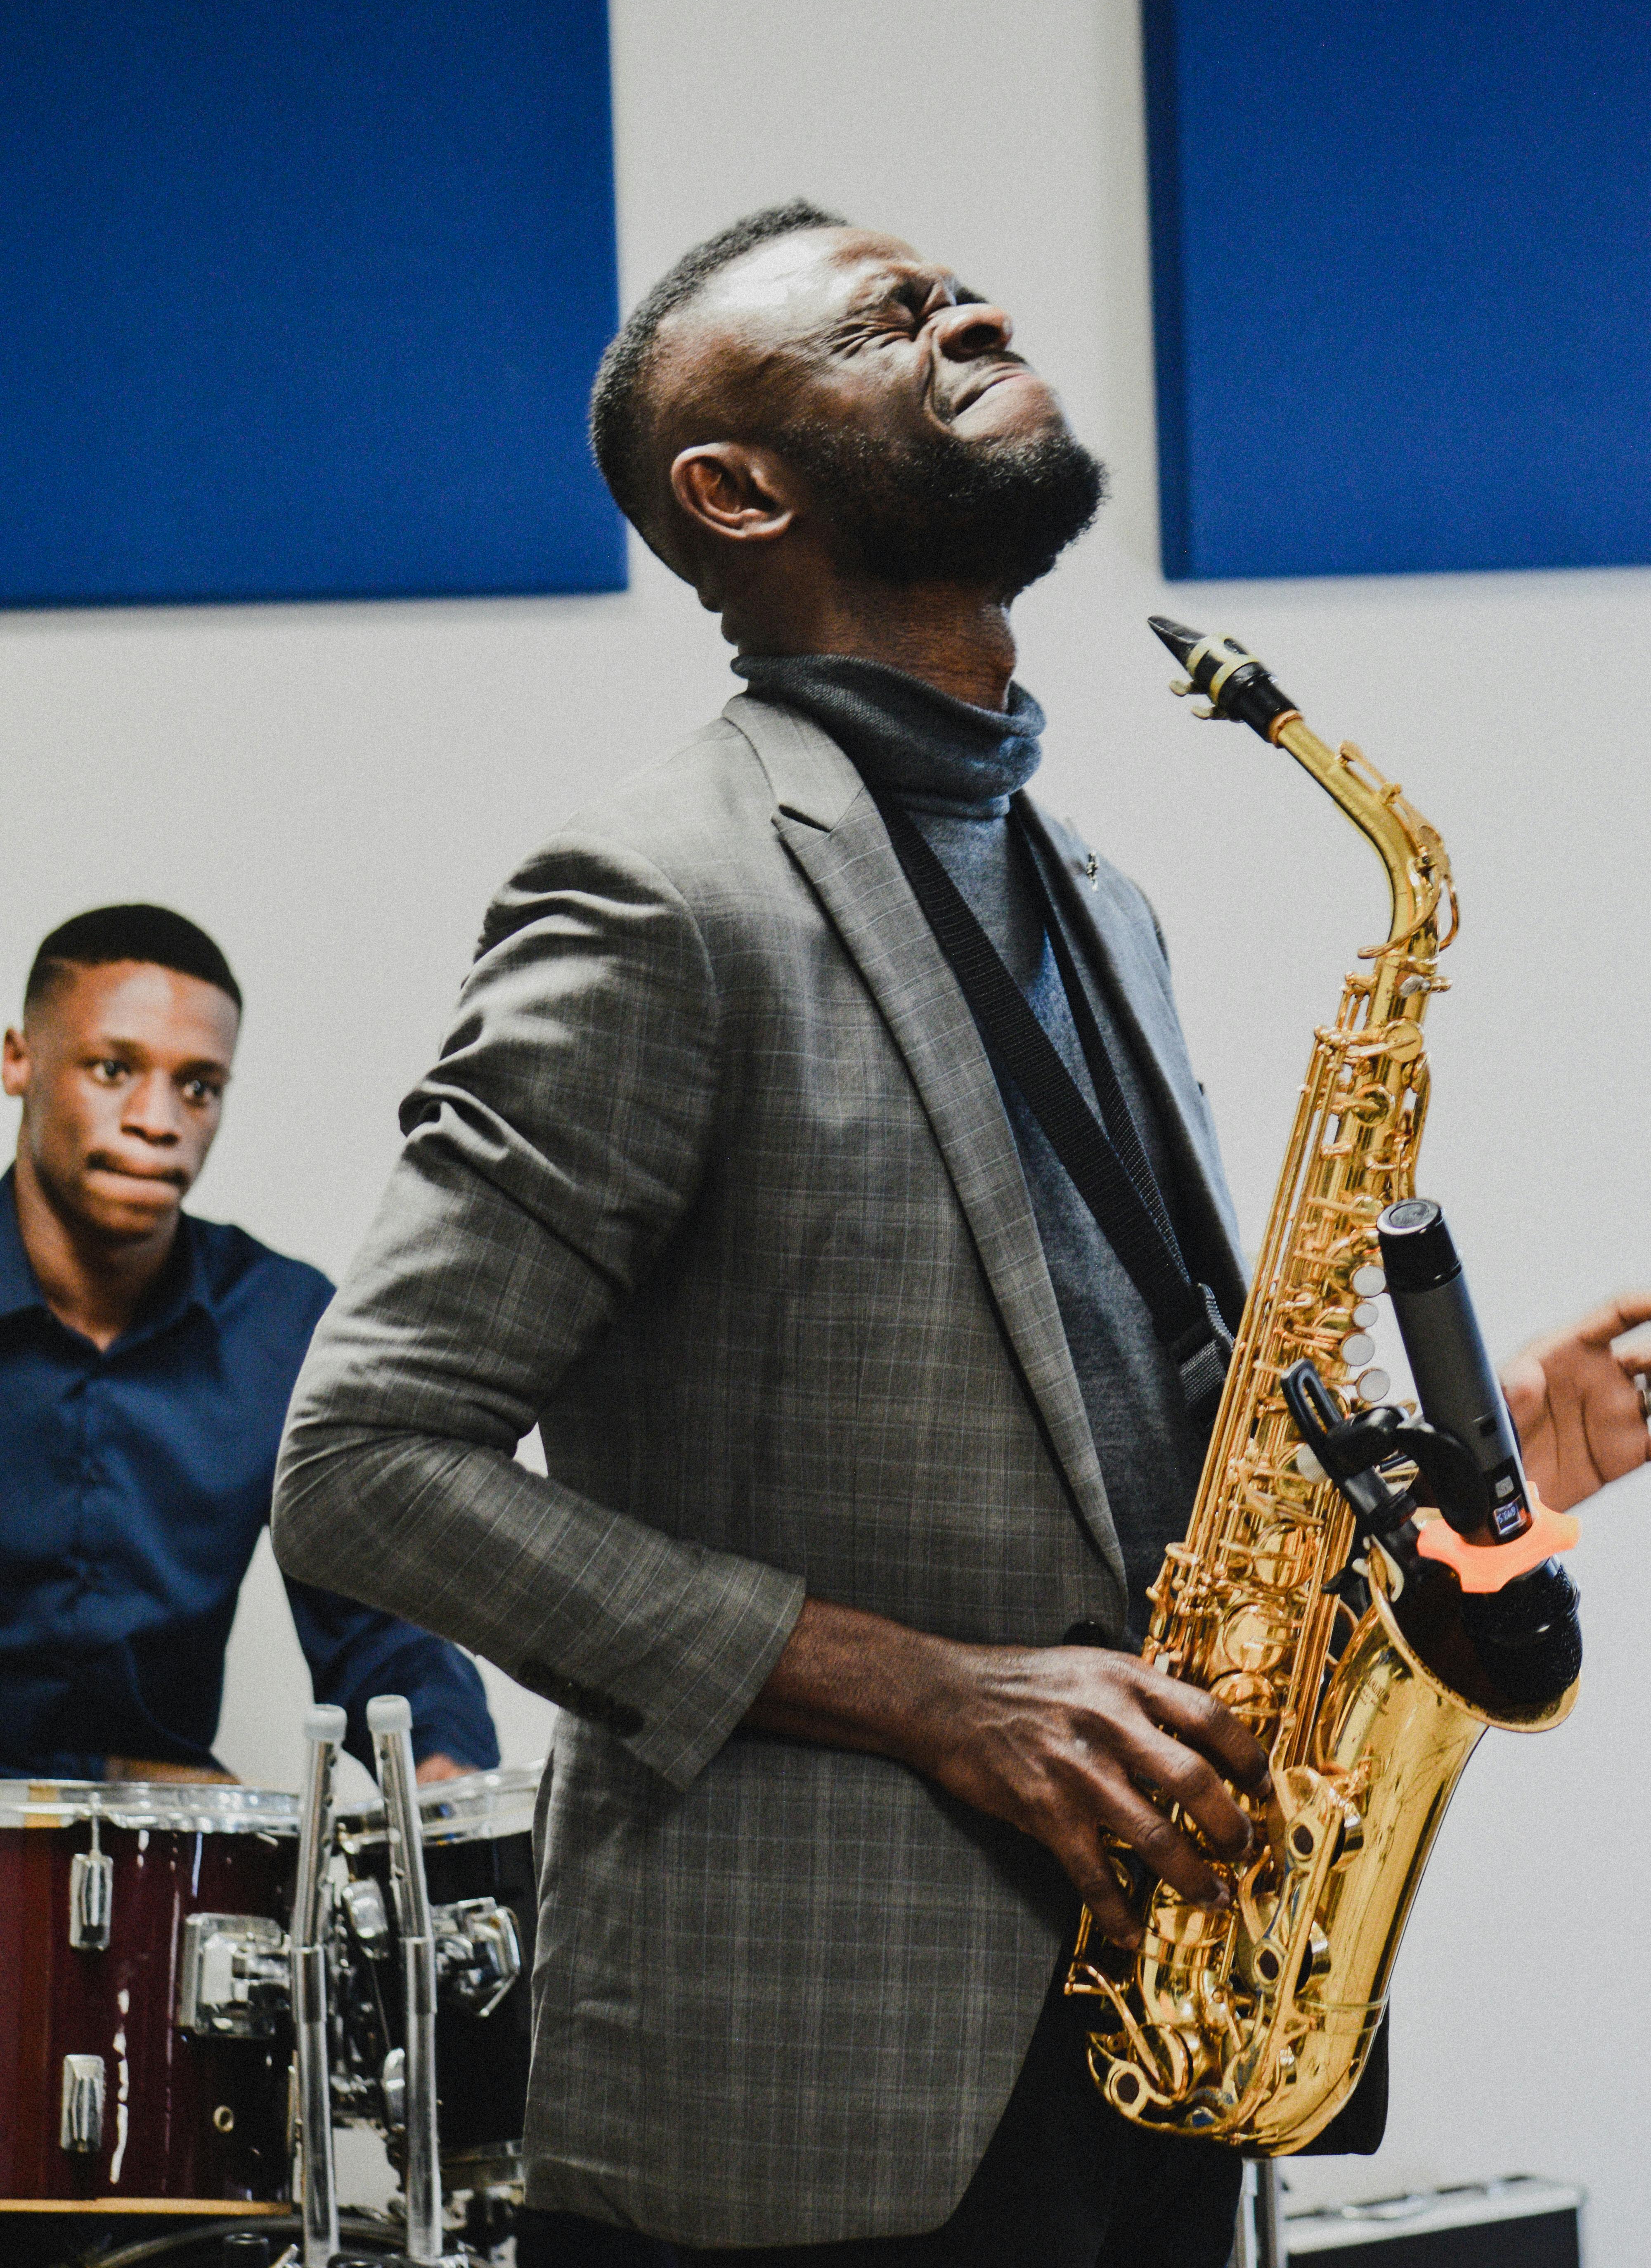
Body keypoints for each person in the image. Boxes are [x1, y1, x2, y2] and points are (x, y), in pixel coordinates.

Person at [273, 202, 1651, 2268]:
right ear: (734, 490)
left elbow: (1148, 1461)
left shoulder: (1088, 892)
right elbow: (364, 1470)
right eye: (886, 317)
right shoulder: (660, 893)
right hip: (802, 2098)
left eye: (958, 287)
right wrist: (931, 1690)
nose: (972, 308)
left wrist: (1490, 1466)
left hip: (1150, 2037)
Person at [0, 902, 499, 1785]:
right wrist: (111, 1769)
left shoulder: (280, 1321)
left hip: (163, 1885)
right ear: (19, 1059)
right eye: (114, 1068)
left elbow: (377, 1619)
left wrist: (441, 1767)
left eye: (198, 1086)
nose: (159, 1120)